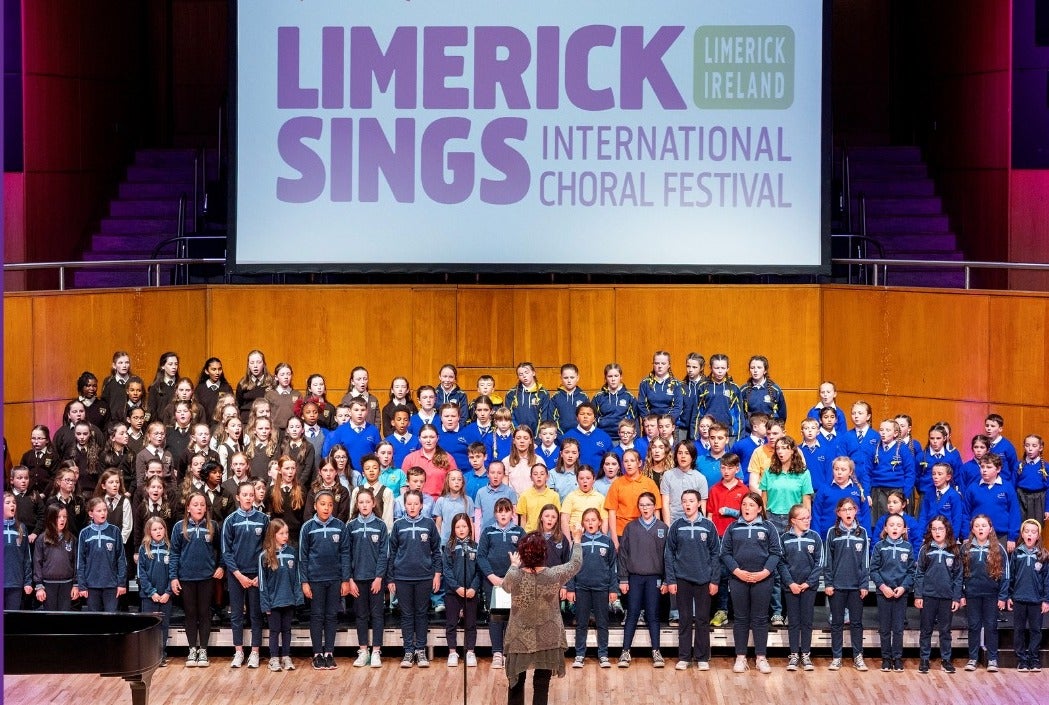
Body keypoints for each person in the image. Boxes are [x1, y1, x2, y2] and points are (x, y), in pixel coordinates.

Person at [502, 526, 583, 705]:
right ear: (544, 553)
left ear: (522, 553)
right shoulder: (554, 575)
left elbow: (505, 586)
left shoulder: (515, 575)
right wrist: (577, 540)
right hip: (548, 637)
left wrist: (514, 565)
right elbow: (575, 564)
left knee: (516, 683)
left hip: (519, 638)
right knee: (541, 684)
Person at [720, 491, 781, 673]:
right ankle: (740, 657)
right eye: (744, 505)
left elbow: (776, 553)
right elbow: (725, 553)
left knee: (760, 618)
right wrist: (737, 571)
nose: (747, 508)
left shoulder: (768, 528)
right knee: (740, 618)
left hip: (763, 579)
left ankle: (761, 657)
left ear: (760, 509)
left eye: (752, 505)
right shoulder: (732, 528)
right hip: (738, 579)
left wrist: (764, 573)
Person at [664, 489, 720, 671]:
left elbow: (715, 555)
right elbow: (669, 554)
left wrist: (714, 580)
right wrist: (671, 580)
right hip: (682, 579)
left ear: (698, 504)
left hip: (704, 580)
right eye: (684, 501)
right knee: (685, 619)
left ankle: (702, 657)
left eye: (691, 501)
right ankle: (684, 657)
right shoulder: (676, 526)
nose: (687, 504)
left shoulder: (708, 526)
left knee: (703, 619)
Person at [388, 489, 442, 668]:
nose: (412, 507)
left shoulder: (429, 524)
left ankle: (421, 650)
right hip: (402, 577)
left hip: (424, 577)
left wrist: (437, 574)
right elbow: (392, 552)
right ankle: (408, 651)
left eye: (415, 504)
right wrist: (391, 578)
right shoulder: (398, 525)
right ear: (404, 505)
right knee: (406, 615)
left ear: (421, 505)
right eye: (409, 504)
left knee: (421, 614)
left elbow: (436, 552)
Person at [299, 490, 351, 671]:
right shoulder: (308, 528)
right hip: (315, 580)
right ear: (315, 506)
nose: (327, 508)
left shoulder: (340, 526)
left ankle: (329, 652)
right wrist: (304, 581)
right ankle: (317, 654)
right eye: (323, 504)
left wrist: (345, 579)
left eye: (330, 504)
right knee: (317, 616)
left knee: (331, 616)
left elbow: (345, 554)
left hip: (335, 579)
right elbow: (303, 556)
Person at [170, 492, 223, 667]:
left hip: (207, 578)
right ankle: (192, 648)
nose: (199, 508)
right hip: (186, 578)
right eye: (195, 505)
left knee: (204, 613)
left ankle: (204, 650)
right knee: (191, 614)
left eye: (202, 505)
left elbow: (221, 550)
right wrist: (173, 577)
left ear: (206, 508)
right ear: (188, 508)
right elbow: (174, 554)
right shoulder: (179, 527)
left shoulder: (213, 526)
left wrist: (221, 567)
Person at [616, 492, 668, 668]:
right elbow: (623, 555)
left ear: (654, 506)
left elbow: (667, 557)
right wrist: (623, 579)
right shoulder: (631, 527)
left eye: (648, 504)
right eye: (642, 505)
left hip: (654, 578)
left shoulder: (662, 528)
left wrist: (667, 580)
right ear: (638, 507)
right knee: (632, 613)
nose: (645, 508)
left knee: (653, 615)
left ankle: (656, 651)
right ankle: (625, 651)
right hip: (635, 577)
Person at [222, 481, 269, 669]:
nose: (249, 498)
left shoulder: (263, 519)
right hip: (236, 575)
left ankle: (255, 652)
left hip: (256, 575)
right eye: (245, 495)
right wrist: (239, 575)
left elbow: (268, 549)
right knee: (237, 616)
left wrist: (260, 574)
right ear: (238, 497)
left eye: (251, 494)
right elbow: (226, 552)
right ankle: (239, 651)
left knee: (256, 615)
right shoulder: (230, 520)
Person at [477, 497, 526, 669]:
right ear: (495, 514)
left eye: (506, 511)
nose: (503, 514)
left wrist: (513, 577)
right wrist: (492, 577)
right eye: (500, 511)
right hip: (494, 583)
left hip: (514, 583)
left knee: (513, 617)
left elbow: (525, 557)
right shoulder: (488, 531)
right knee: (496, 617)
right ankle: (497, 652)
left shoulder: (520, 532)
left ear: (512, 513)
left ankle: (510, 652)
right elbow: (481, 556)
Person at [824, 496, 870, 672]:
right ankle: (837, 657)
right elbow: (828, 560)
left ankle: (858, 656)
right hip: (837, 586)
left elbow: (866, 561)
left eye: (851, 509)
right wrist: (829, 582)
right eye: (844, 509)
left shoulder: (862, 533)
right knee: (837, 622)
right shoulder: (832, 533)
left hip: (856, 587)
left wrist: (864, 584)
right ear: (838, 513)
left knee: (856, 623)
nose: (848, 512)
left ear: (856, 511)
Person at [566, 507, 616, 668]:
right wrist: (571, 588)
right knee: (581, 623)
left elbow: (613, 567)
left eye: (593, 520)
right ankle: (579, 654)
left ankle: (603, 654)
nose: (590, 523)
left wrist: (613, 589)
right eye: (587, 520)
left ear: (600, 522)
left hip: (602, 588)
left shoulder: (607, 541)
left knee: (602, 623)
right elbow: (572, 567)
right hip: (582, 588)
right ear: (583, 524)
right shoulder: (578, 542)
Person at [346, 487, 389, 668]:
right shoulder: (351, 526)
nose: (364, 505)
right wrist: (349, 579)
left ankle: (376, 651)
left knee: (377, 615)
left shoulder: (380, 526)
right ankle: (363, 650)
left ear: (373, 503)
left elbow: (383, 554)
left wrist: (379, 577)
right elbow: (346, 554)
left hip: (375, 580)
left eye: (367, 502)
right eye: (361, 502)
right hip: (357, 580)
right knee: (361, 615)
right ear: (357, 504)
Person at [914, 516, 963, 673]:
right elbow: (919, 573)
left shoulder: (954, 550)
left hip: (946, 597)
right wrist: (918, 595)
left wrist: (956, 597)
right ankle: (924, 659)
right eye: (934, 529)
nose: (937, 532)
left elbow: (958, 576)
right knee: (926, 629)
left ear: (947, 530)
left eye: (940, 529)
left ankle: (946, 660)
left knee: (945, 630)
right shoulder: (926, 549)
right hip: (928, 596)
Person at [779, 503, 823, 672]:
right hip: (791, 587)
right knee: (794, 621)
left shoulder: (815, 537)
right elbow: (781, 564)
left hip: (808, 588)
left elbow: (819, 563)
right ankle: (794, 654)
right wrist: (791, 583)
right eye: (803, 518)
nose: (807, 520)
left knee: (806, 621)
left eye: (808, 517)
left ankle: (805, 653)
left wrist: (808, 583)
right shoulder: (784, 539)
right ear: (793, 521)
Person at [961, 514, 1008, 673]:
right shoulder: (966, 548)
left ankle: (992, 659)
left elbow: (1005, 574)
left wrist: (1002, 596)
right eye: (977, 526)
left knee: (991, 626)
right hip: (972, 594)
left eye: (984, 526)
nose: (980, 528)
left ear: (990, 529)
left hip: (991, 595)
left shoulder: (998, 549)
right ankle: (973, 658)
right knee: (973, 626)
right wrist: (961, 595)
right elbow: (959, 574)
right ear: (972, 529)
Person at [870, 513, 914, 672]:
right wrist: (883, 587)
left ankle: (897, 657)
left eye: (898, 525)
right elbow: (873, 570)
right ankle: (886, 658)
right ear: (885, 528)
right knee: (885, 627)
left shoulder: (907, 547)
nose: (895, 528)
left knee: (898, 628)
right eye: (891, 525)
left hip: (901, 594)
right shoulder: (879, 547)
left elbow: (911, 572)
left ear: (904, 529)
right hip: (884, 594)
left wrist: (903, 587)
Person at [258, 518, 304, 672]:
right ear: (273, 535)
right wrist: (266, 604)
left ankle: (286, 656)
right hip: (273, 602)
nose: (285, 536)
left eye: (287, 533)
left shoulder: (292, 553)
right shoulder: (264, 556)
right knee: (274, 630)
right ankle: (274, 658)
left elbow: (297, 578)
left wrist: (298, 598)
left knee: (287, 629)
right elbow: (263, 583)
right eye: (281, 533)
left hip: (288, 600)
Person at [1007, 518, 1049, 673]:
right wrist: (1009, 595)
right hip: (1019, 599)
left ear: (1038, 536)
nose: (1030, 534)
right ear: (1022, 534)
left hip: (1036, 600)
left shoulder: (1043, 555)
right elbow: (1010, 576)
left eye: (1033, 531)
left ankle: (1034, 659)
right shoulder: (1017, 553)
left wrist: (1046, 599)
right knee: (1018, 630)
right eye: (1027, 531)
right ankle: (1022, 660)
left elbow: (1047, 579)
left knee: (1035, 630)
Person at [442, 513, 481, 667]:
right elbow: (447, 570)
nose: (461, 529)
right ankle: (452, 652)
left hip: (471, 592)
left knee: (470, 623)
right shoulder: (449, 547)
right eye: (458, 527)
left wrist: (473, 588)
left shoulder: (475, 547)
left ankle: (470, 651)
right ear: (453, 529)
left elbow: (479, 571)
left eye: (464, 526)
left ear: (469, 528)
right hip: (453, 592)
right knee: (451, 623)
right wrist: (457, 587)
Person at [77, 497, 127, 611]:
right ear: (91, 513)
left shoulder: (114, 531)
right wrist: (82, 585)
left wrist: (121, 583)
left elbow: (121, 559)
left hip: (111, 585)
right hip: (92, 585)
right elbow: (81, 561)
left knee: (111, 619)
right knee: (95, 621)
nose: (103, 513)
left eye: (104, 510)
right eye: (99, 511)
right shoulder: (85, 533)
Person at [138, 517, 174, 666]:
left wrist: (167, 592)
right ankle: (149, 656)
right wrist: (151, 592)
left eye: (160, 528)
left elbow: (173, 572)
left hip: (165, 596)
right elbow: (142, 574)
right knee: (150, 626)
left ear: (165, 530)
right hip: (149, 597)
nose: (158, 531)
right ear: (149, 532)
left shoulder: (170, 548)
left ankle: (161, 655)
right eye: (154, 529)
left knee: (163, 627)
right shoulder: (143, 549)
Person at [32, 505, 79, 611]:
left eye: (65, 516)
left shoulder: (72, 538)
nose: (62, 519)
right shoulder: (42, 539)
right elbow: (37, 562)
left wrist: (76, 584)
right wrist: (39, 586)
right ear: (50, 518)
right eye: (58, 517)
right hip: (48, 585)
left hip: (67, 584)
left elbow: (77, 563)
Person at [3, 492, 33, 609]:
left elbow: (27, 557)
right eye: (8, 503)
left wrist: (27, 582)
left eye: (14, 503)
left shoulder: (21, 528)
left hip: (15, 582)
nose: (12, 505)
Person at [739, 355, 786, 429]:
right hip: (749, 432)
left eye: (759, 367)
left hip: (769, 431)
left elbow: (782, 414)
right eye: (752, 368)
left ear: (765, 370)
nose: (755, 370)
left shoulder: (775, 390)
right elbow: (740, 414)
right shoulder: (743, 390)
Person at [504, 361, 552, 433]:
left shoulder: (543, 393)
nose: (524, 376)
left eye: (527, 372)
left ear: (533, 373)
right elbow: (510, 416)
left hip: (537, 436)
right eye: (521, 374)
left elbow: (543, 418)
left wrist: (537, 439)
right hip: (517, 435)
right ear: (518, 377)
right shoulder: (511, 394)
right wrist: (518, 434)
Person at [592, 363, 637, 438]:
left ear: (621, 377)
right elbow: (592, 420)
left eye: (616, 376)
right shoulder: (598, 397)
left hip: (624, 438)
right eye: (610, 376)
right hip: (603, 437)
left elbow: (634, 421)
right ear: (605, 378)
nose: (613, 379)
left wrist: (635, 439)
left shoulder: (629, 397)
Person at [550, 363, 588, 435]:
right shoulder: (555, 397)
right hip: (561, 437)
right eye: (566, 378)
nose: (569, 381)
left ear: (577, 378)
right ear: (561, 378)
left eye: (572, 377)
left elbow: (587, 418)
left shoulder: (583, 397)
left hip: (580, 435)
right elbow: (552, 420)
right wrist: (560, 436)